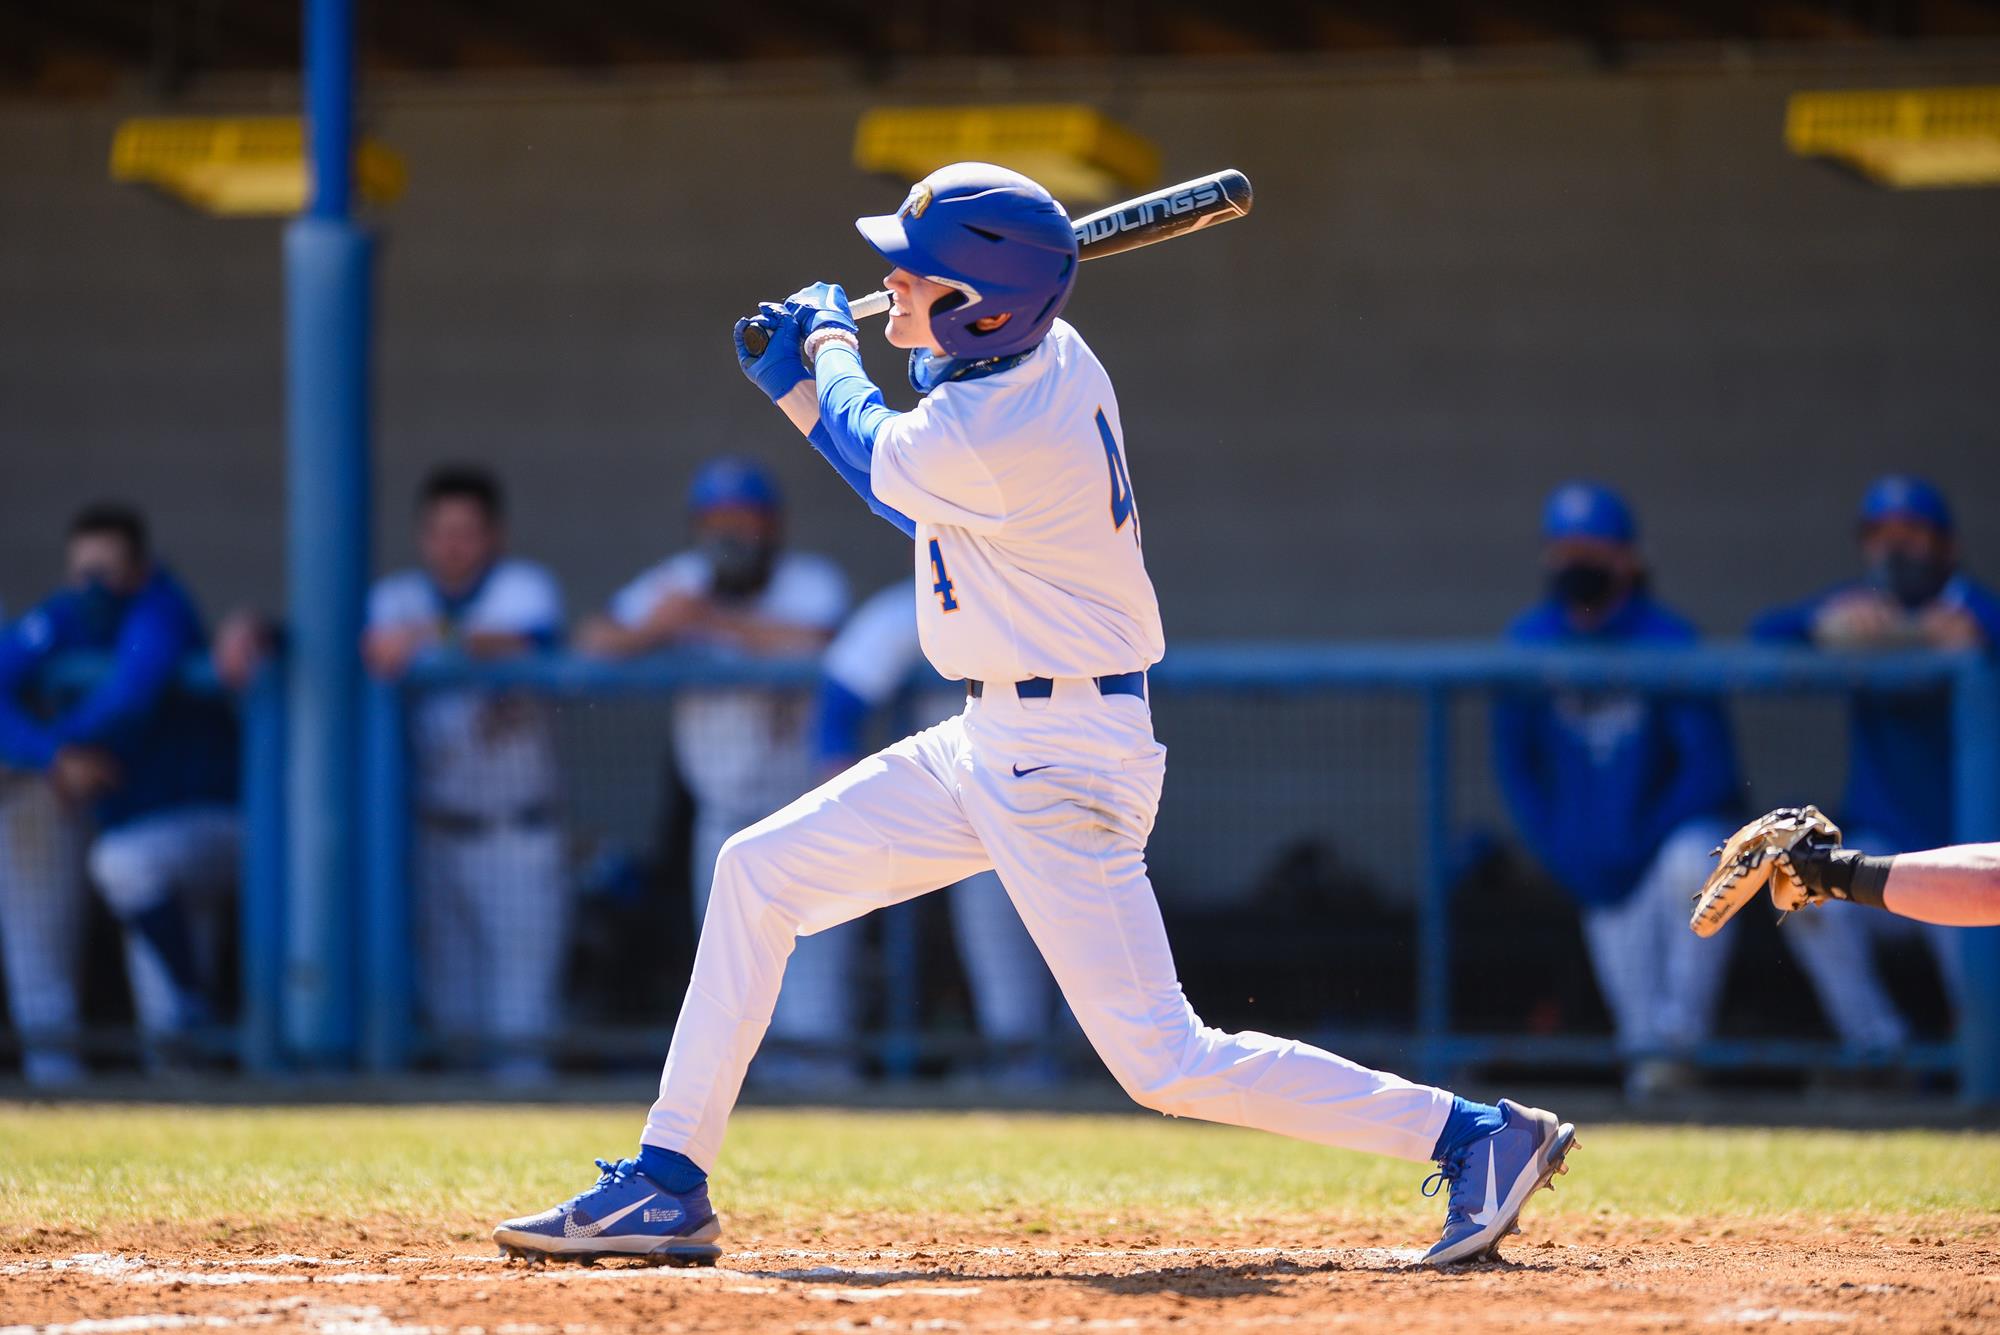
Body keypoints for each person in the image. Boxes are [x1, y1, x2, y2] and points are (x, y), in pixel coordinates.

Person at [494, 162, 1575, 1270]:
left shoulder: (995, 427)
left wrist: (818, 356)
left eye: (913, 276)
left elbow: (882, 455)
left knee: (1163, 1061)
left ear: (986, 306)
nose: (891, 287)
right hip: (992, 740)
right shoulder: (1047, 355)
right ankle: (668, 1181)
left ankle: (1474, 1136)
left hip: (1059, 761)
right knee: (757, 873)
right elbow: (902, 438)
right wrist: (830, 364)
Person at [577, 456, 849, 1088]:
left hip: (807, 819)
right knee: (731, 998)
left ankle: (832, 1133)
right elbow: (592, 641)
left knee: (813, 1009)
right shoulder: (680, 583)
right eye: (716, 521)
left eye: (745, 520)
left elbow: (823, 643)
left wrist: (710, 623)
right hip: (720, 828)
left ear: (773, 526)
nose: (731, 536)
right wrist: (654, 627)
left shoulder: (809, 581)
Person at [1492, 483, 1753, 1096]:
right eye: (1562, 548)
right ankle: (1658, 1080)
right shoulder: (1528, 641)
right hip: (1593, 858)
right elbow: (1517, 770)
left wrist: (1641, 839)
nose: (1574, 562)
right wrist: (1562, 850)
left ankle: (1684, 1039)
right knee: (1640, 1043)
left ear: (1628, 559)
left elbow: (1709, 769)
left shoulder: (1669, 639)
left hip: (1664, 839)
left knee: (1697, 860)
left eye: (1592, 548)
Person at [0, 504, 238, 1075]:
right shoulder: (63, 617)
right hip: (136, 828)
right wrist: (55, 757)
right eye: (81, 573)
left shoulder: (161, 607)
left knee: (125, 866)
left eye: (105, 572)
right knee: (159, 1010)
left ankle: (196, 1015)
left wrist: (64, 745)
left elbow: (132, 688)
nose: (92, 587)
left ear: (139, 567)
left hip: (206, 820)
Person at [1749, 474, 2000, 1015]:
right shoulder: (1862, 609)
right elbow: (1763, 635)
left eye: (1912, 533)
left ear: (1946, 546)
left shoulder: (1978, 613)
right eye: (1881, 534)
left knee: (1981, 999)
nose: (1895, 548)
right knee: (1812, 899)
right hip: (1885, 840)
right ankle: (1878, 1054)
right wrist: (1823, 625)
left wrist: (1976, 642)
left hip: (1973, 850)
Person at [366, 467, 568, 1083]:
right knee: (453, 1022)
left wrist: (432, 636)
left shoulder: (522, 586)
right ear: (423, 538)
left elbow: (533, 640)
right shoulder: (394, 597)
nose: (453, 545)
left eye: (468, 532)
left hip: (518, 834)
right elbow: (367, 648)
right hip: (437, 832)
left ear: (493, 537)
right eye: (440, 532)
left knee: (520, 1025)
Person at [816, 582, 1062, 1084]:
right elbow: (837, 710)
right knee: (1004, 977)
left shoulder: (1044, 594)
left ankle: (1076, 1079)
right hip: (959, 806)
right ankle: (1025, 1081)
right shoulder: (909, 609)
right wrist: (849, 814)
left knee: (1086, 967)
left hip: (1051, 802)